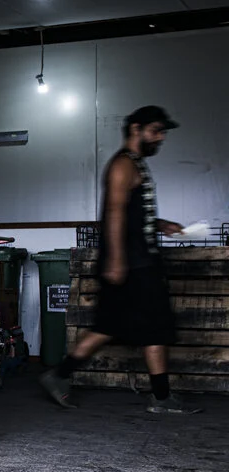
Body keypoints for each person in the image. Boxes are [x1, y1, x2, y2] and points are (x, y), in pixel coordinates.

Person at [40, 106, 200, 414]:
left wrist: (160, 224)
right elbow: (113, 213)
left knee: (109, 326)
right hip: (132, 265)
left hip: (136, 263)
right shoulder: (123, 164)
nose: (161, 137)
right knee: (155, 327)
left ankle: (58, 376)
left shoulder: (135, 163)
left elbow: (130, 213)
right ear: (136, 129)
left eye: (163, 132)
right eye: (156, 131)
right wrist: (115, 261)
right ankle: (161, 398)